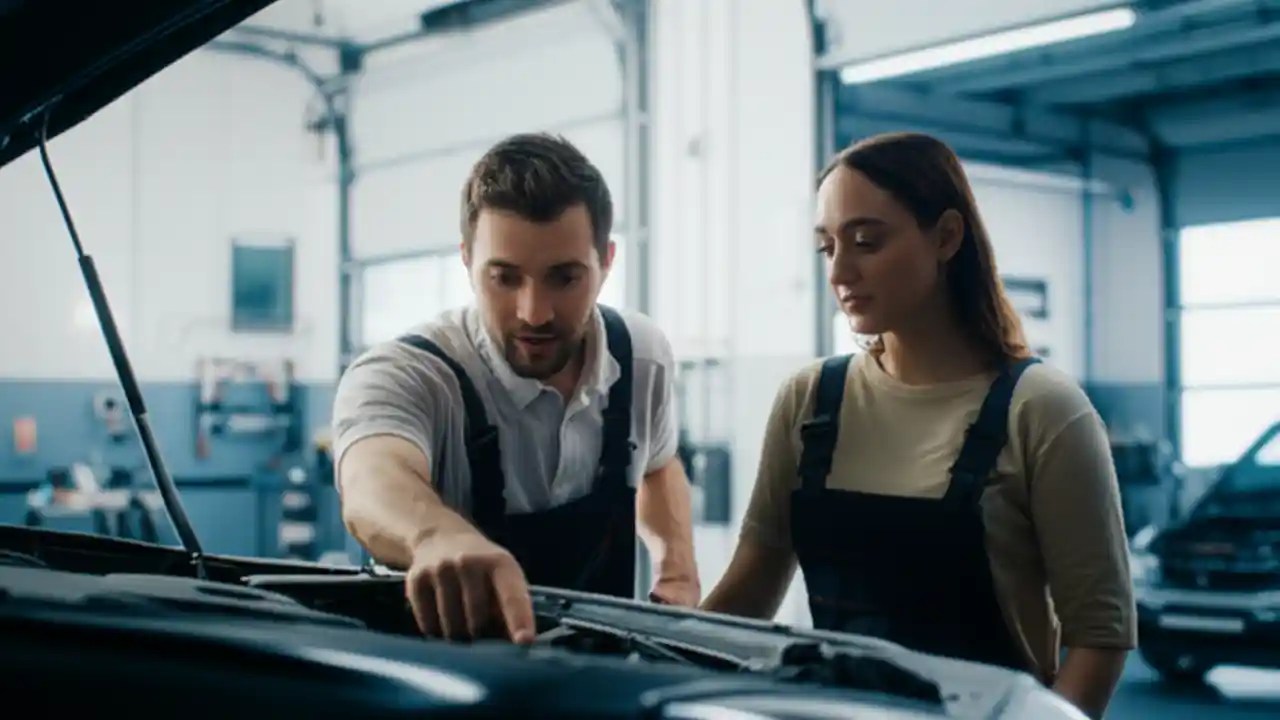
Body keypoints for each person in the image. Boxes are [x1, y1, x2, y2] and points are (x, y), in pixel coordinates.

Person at [700, 132, 1135, 720]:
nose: (840, 270)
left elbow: (1099, 636)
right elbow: (750, 590)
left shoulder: (1042, 410)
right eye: (826, 247)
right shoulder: (808, 400)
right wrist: (646, 662)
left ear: (947, 237)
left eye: (866, 242)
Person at [333, 133, 700, 645]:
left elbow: (658, 464)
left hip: (596, 679)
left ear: (606, 261)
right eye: (504, 278)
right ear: (466, 260)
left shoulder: (641, 356)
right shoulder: (407, 372)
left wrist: (676, 570)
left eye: (564, 278)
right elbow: (371, 483)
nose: (534, 313)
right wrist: (436, 535)